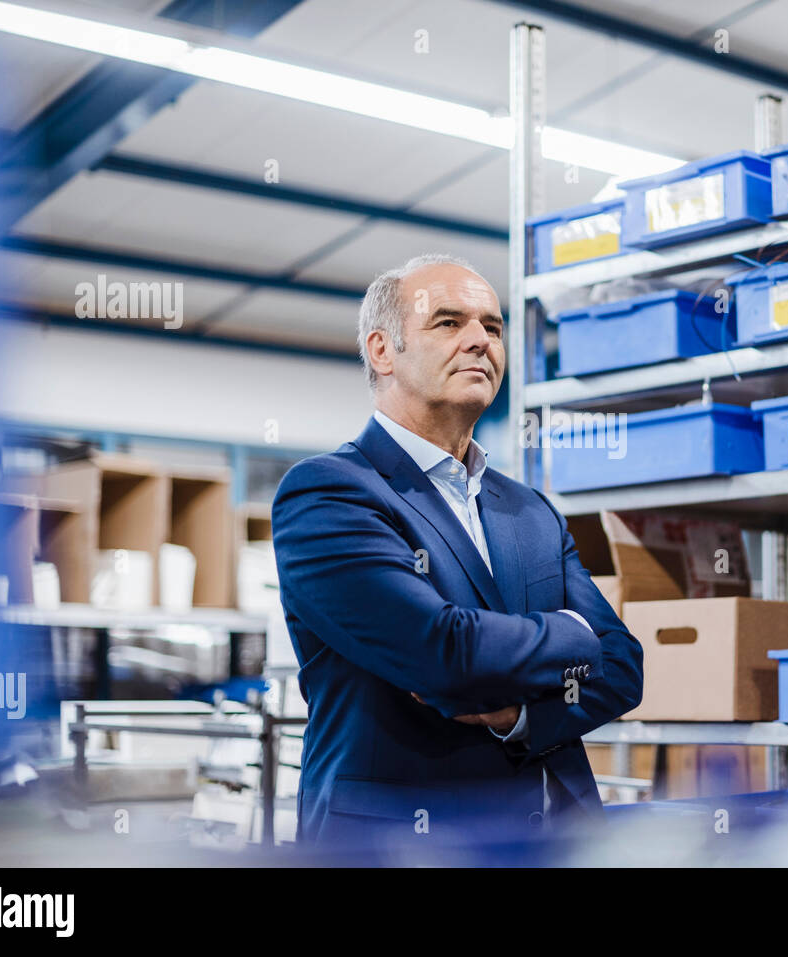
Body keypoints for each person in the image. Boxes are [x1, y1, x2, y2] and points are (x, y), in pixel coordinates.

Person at [272, 253, 643, 860]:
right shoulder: (330, 494)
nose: (480, 341)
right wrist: (576, 634)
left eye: (492, 327)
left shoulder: (530, 511)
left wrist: (516, 717)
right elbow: (442, 652)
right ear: (382, 351)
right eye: (449, 323)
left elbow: (623, 666)